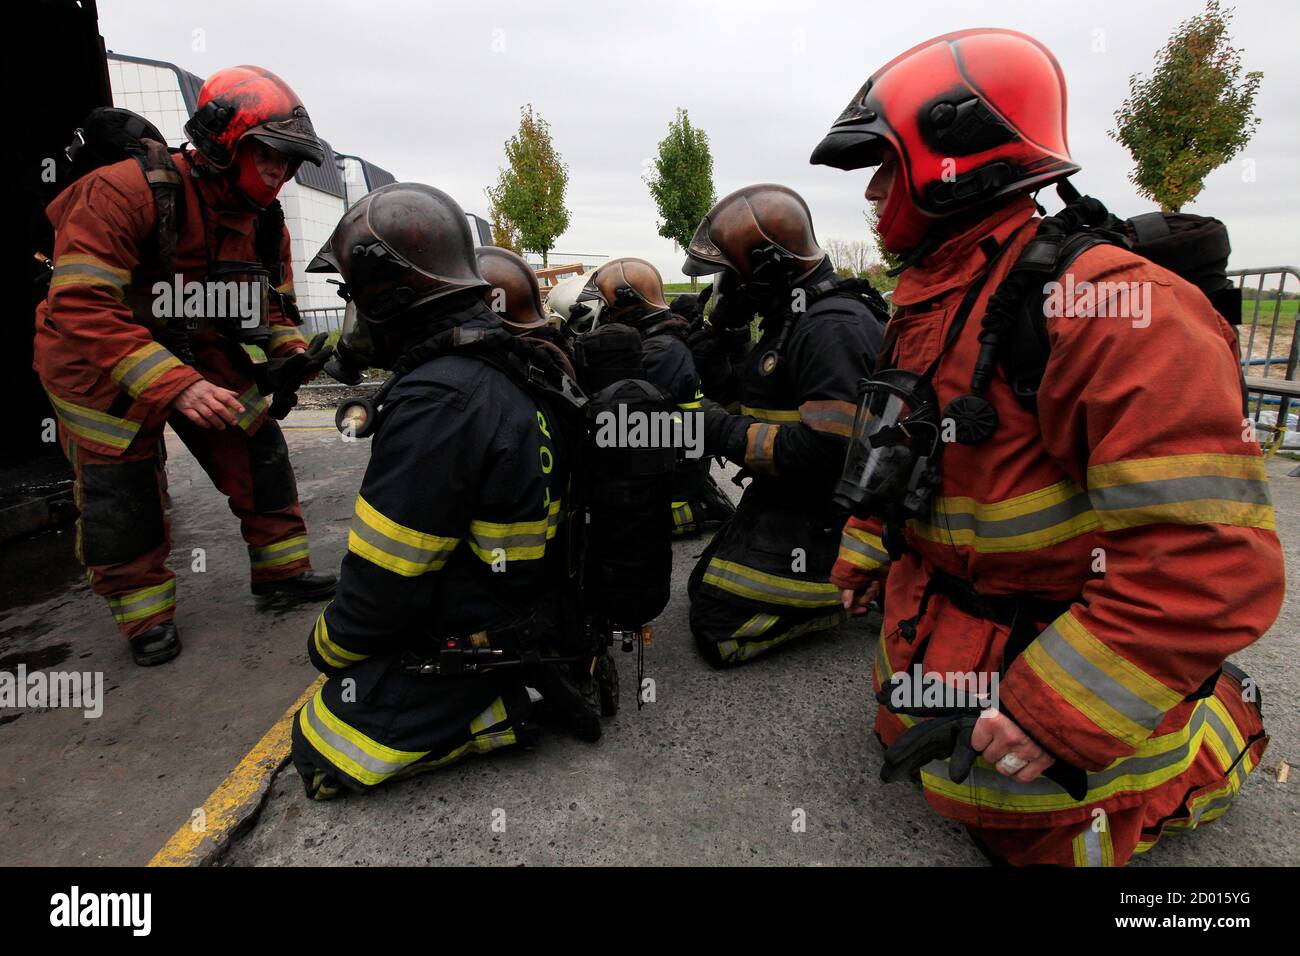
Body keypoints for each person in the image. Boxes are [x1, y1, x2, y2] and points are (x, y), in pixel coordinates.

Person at [814, 28, 1282, 865]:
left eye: (885, 165)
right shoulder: (934, 296)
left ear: (952, 149)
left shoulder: (1114, 306)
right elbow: (901, 450)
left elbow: (1205, 563)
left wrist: (1051, 714)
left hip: (1048, 658)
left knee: (1037, 837)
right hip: (944, 631)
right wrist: (862, 550)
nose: (877, 191)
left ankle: (1210, 731)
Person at [292, 183, 609, 800]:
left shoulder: (439, 399)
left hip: (487, 636)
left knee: (323, 744)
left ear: (396, 298)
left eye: (356, 297)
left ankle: (515, 704)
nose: (352, 317)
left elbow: (387, 577)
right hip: (540, 607)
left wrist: (329, 645)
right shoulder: (514, 361)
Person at [33, 66, 337, 667]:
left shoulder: (264, 217)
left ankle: (280, 573)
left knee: (257, 443)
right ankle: (144, 616)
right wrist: (175, 384)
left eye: (290, 163)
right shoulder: (121, 192)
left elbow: (268, 305)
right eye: (270, 157)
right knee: (122, 487)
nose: (281, 174)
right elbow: (80, 302)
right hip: (92, 357)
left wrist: (290, 354)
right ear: (224, 142)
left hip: (195, 348)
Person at [682, 184, 886, 666]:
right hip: (791, 497)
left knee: (720, 631)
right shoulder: (793, 320)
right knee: (701, 585)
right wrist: (717, 335)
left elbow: (828, 453)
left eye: (731, 278)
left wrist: (715, 430)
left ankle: (863, 594)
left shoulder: (830, 326)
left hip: (832, 511)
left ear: (770, 267)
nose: (724, 290)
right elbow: (759, 407)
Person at [577, 257, 727, 537]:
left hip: (670, 472)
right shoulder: (659, 340)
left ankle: (692, 511)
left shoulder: (659, 351)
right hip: (673, 457)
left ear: (626, 306)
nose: (603, 313)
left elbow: (613, 410)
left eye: (607, 305)